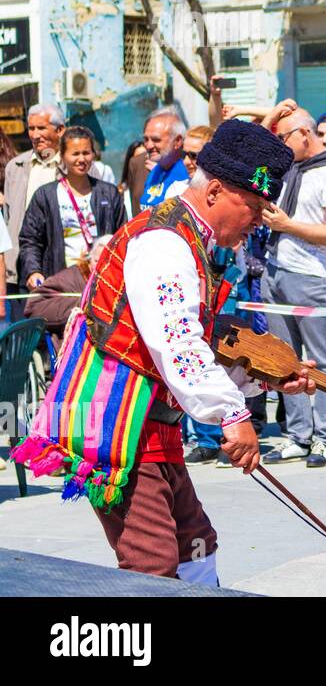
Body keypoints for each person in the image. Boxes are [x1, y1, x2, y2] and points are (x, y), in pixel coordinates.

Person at [12, 120, 307, 582]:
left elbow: (187, 343)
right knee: (152, 558)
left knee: (195, 541)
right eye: (252, 206)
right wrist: (233, 414)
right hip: (115, 424)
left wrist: (260, 378)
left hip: (149, 421)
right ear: (214, 193)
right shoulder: (164, 241)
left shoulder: (190, 239)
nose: (257, 220)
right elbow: (176, 341)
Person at [259, 105, 326, 467]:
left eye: (282, 138)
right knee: (283, 359)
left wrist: (288, 225)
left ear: (304, 134)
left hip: (312, 276)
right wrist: (269, 119)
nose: (279, 146)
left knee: (320, 360)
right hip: (276, 270)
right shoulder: (287, 169)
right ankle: (298, 435)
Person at [19, 126, 126, 293]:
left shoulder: (109, 193)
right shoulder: (45, 195)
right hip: (62, 281)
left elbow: (122, 236)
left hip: (103, 281)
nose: (82, 159)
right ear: (62, 155)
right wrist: (34, 271)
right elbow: (30, 240)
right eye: (75, 154)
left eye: (86, 152)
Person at [139, 109, 190, 210]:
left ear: (177, 141)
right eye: (146, 139)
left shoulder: (187, 177)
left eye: (156, 140)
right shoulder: (155, 171)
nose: (148, 146)